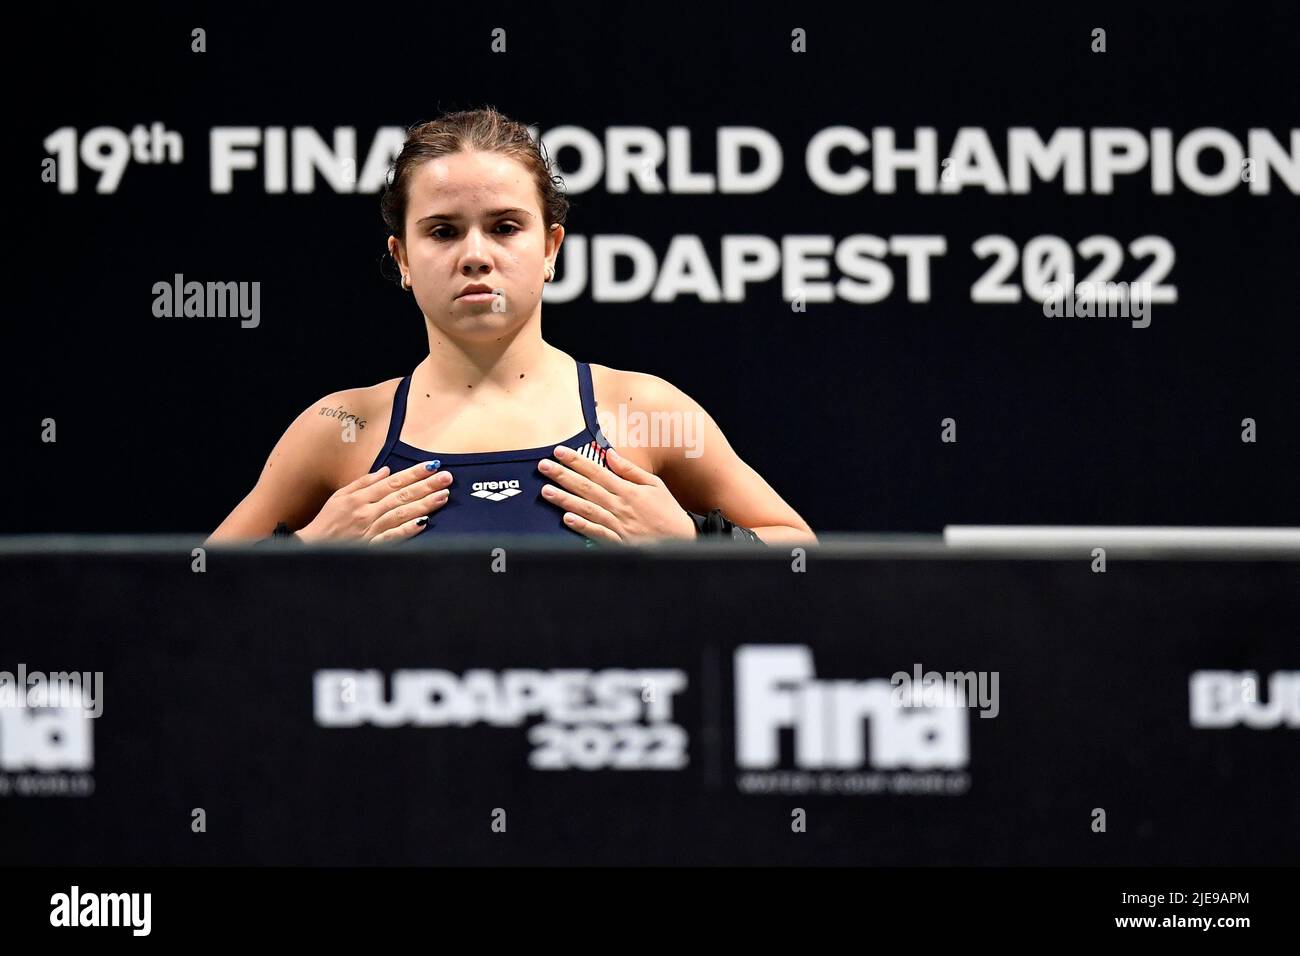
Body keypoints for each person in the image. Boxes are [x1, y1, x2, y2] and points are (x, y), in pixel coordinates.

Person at [207, 107, 815, 547]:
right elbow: (182, 597)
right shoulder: (340, 429)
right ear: (402, 260)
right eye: (443, 231)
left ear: (551, 247)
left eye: (505, 227)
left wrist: (695, 543)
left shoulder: (639, 409)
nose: (475, 254)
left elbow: (805, 557)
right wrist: (304, 555)